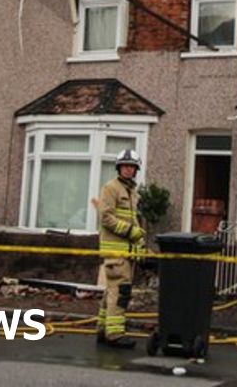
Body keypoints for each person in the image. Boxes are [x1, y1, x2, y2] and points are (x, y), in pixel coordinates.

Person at [95, 149, 146, 349]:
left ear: (136, 170)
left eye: (131, 167)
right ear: (118, 168)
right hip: (116, 252)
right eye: (125, 166)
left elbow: (133, 221)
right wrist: (131, 232)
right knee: (120, 291)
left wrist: (139, 244)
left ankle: (102, 329)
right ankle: (114, 334)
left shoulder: (132, 192)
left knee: (111, 291)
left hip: (126, 251)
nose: (128, 170)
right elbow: (106, 218)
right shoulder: (111, 188)